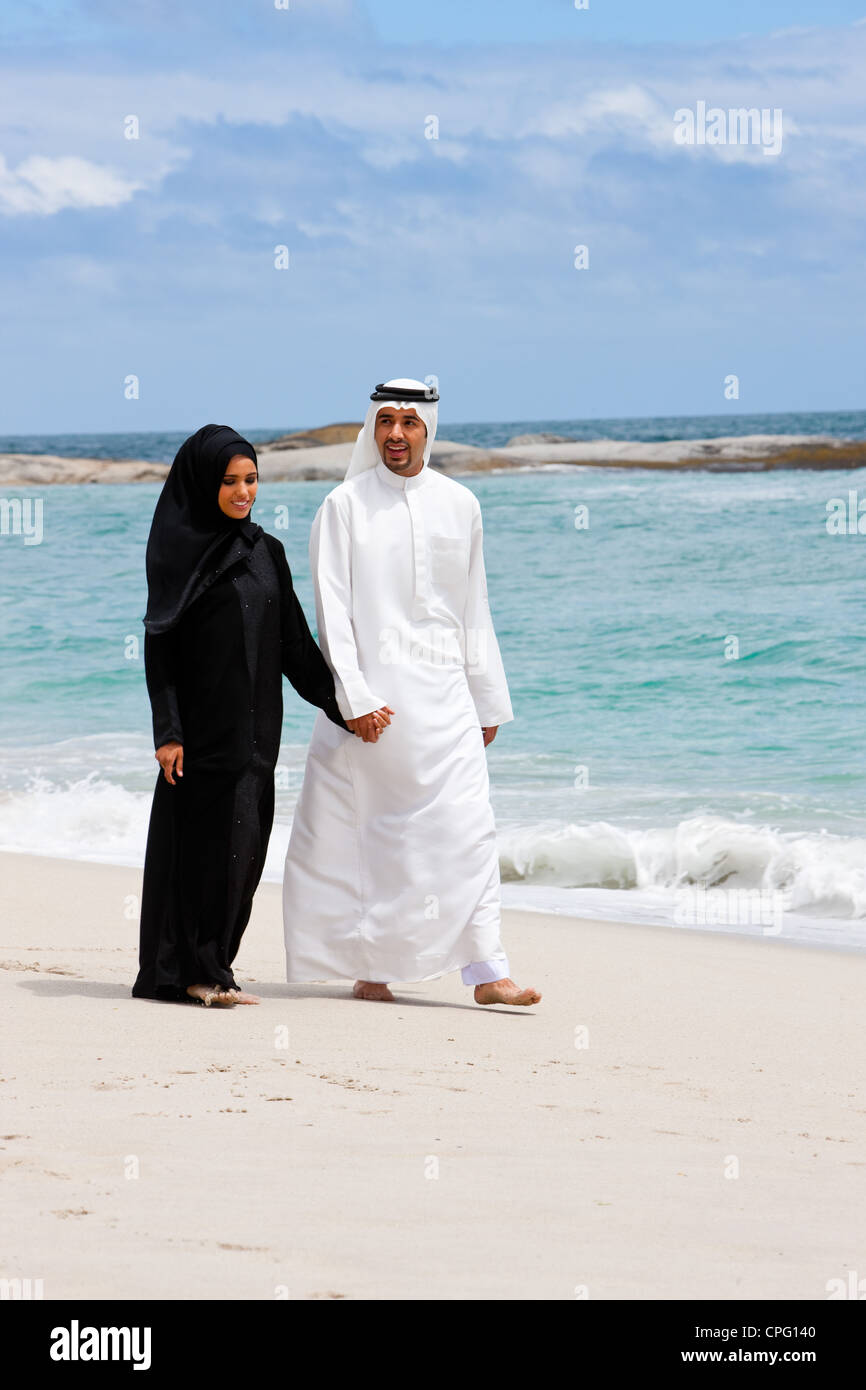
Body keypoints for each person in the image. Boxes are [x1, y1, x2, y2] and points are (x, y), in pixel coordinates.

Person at [282, 379, 541, 1007]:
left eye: (409, 422)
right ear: (372, 428)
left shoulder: (461, 504)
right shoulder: (344, 506)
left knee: (469, 830)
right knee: (377, 838)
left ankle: (487, 971)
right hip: (377, 706)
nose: (395, 434)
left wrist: (488, 698)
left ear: (429, 428)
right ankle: (373, 968)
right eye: (385, 421)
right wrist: (354, 699)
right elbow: (332, 614)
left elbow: (473, 605)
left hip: (448, 698)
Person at [133, 423, 347, 1007]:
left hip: (259, 736)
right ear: (205, 483)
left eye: (251, 479)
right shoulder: (179, 556)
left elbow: (296, 649)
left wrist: (346, 709)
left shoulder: (266, 552)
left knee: (244, 853)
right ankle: (195, 972)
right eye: (229, 481)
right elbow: (161, 652)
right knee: (202, 853)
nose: (243, 491)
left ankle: (216, 965)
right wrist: (168, 733)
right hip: (200, 738)